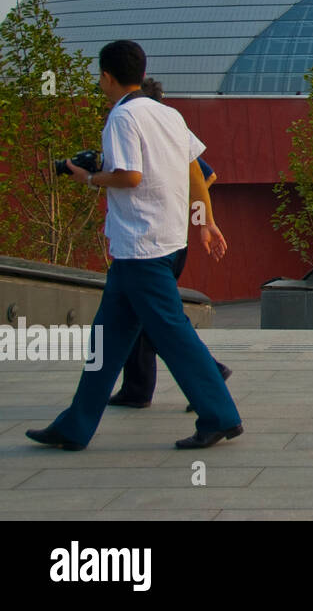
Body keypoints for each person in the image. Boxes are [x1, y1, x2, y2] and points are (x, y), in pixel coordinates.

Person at [26, 40, 242, 451]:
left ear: (107, 76)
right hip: (159, 243)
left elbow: (130, 176)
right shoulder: (169, 114)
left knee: (174, 336)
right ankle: (74, 426)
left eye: (100, 78)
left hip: (142, 247)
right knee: (106, 341)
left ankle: (220, 416)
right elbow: (193, 167)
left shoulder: (122, 118)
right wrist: (206, 220)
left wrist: (88, 178)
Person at [108, 77, 232, 410]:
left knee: (161, 318)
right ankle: (137, 388)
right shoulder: (161, 124)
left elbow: (201, 175)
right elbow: (200, 175)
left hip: (154, 243)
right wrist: (202, 221)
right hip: (160, 240)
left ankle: (210, 378)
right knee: (145, 314)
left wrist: (198, 219)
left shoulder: (148, 124)